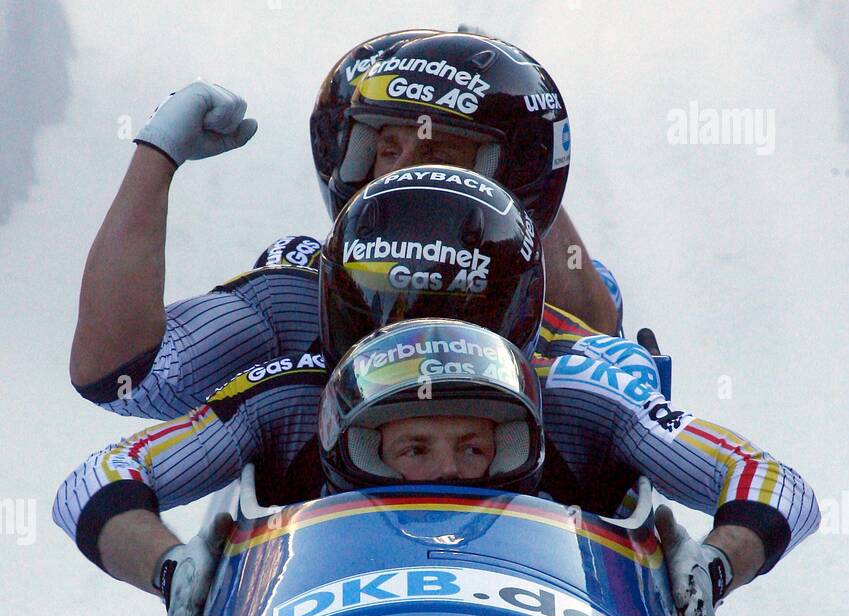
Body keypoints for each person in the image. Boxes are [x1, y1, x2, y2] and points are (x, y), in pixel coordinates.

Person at [54, 319, 818, 616]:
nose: (447, 469)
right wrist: (170, 566)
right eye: (413, 448)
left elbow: (784, 486)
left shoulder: (588, 389)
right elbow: (89, 481)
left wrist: (715, 560)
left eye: (475, 446)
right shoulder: (276, 396)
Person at [69, 30, 618, 418]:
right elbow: (116, 374)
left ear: (515, 175)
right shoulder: (296, 289)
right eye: (387, 148)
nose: (404, 174)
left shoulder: (549, 283)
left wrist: (519, 116)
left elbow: (599, 333)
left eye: (443, 153)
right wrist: (156, 158)